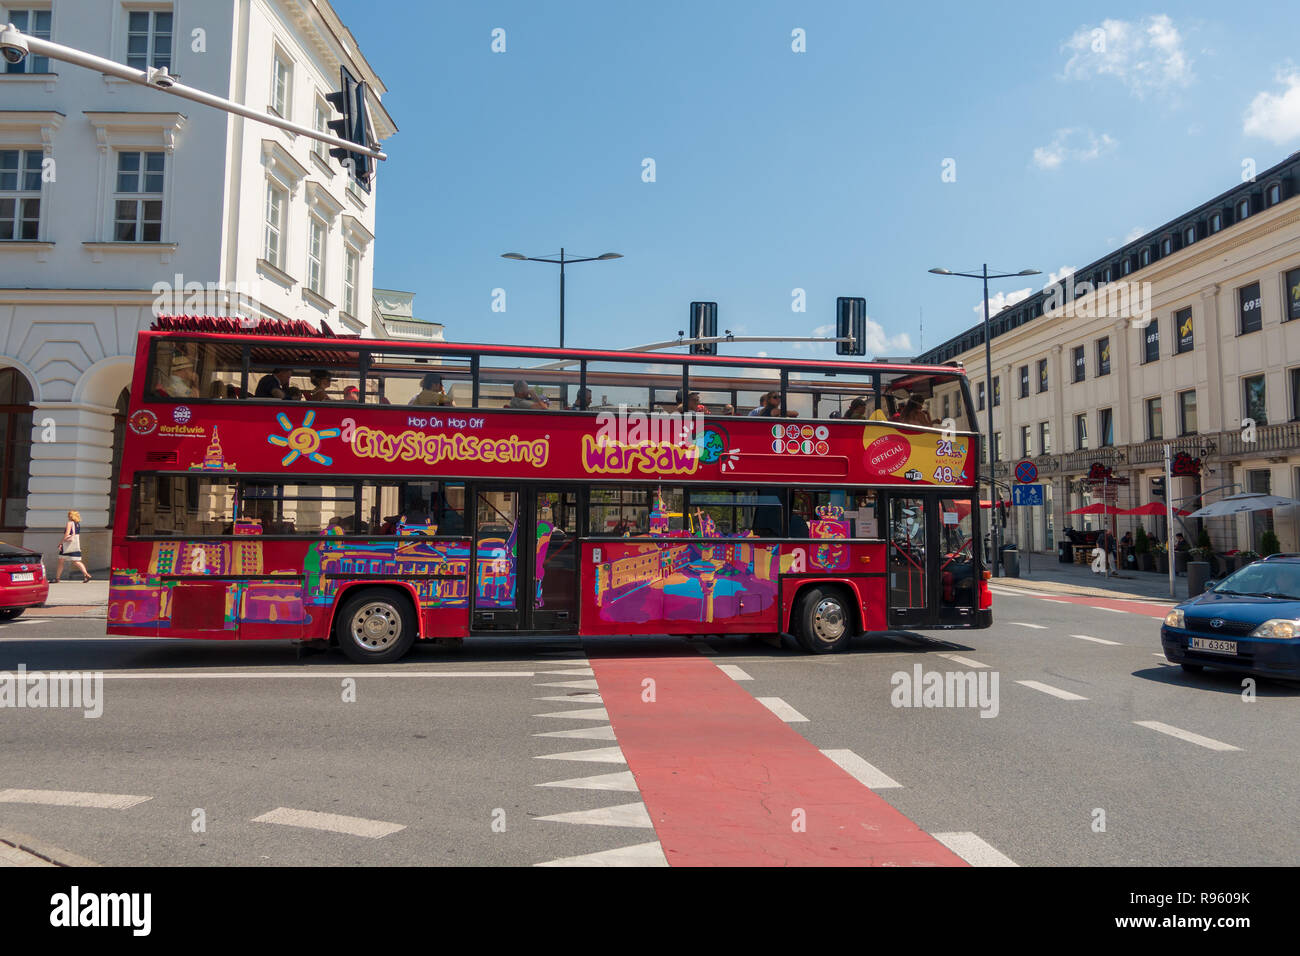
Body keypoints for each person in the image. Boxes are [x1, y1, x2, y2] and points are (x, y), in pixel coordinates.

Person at [55, 510, 91, 583]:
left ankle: (57, 578)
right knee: (77, 561)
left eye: (68, 515)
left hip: (67, 545)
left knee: (61, 561)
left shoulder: (70, 523)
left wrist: (61, 543)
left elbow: (67, 534)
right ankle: (86, 574)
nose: (68, 516)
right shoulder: (77, 524)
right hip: (75, 545)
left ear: (71, 516)